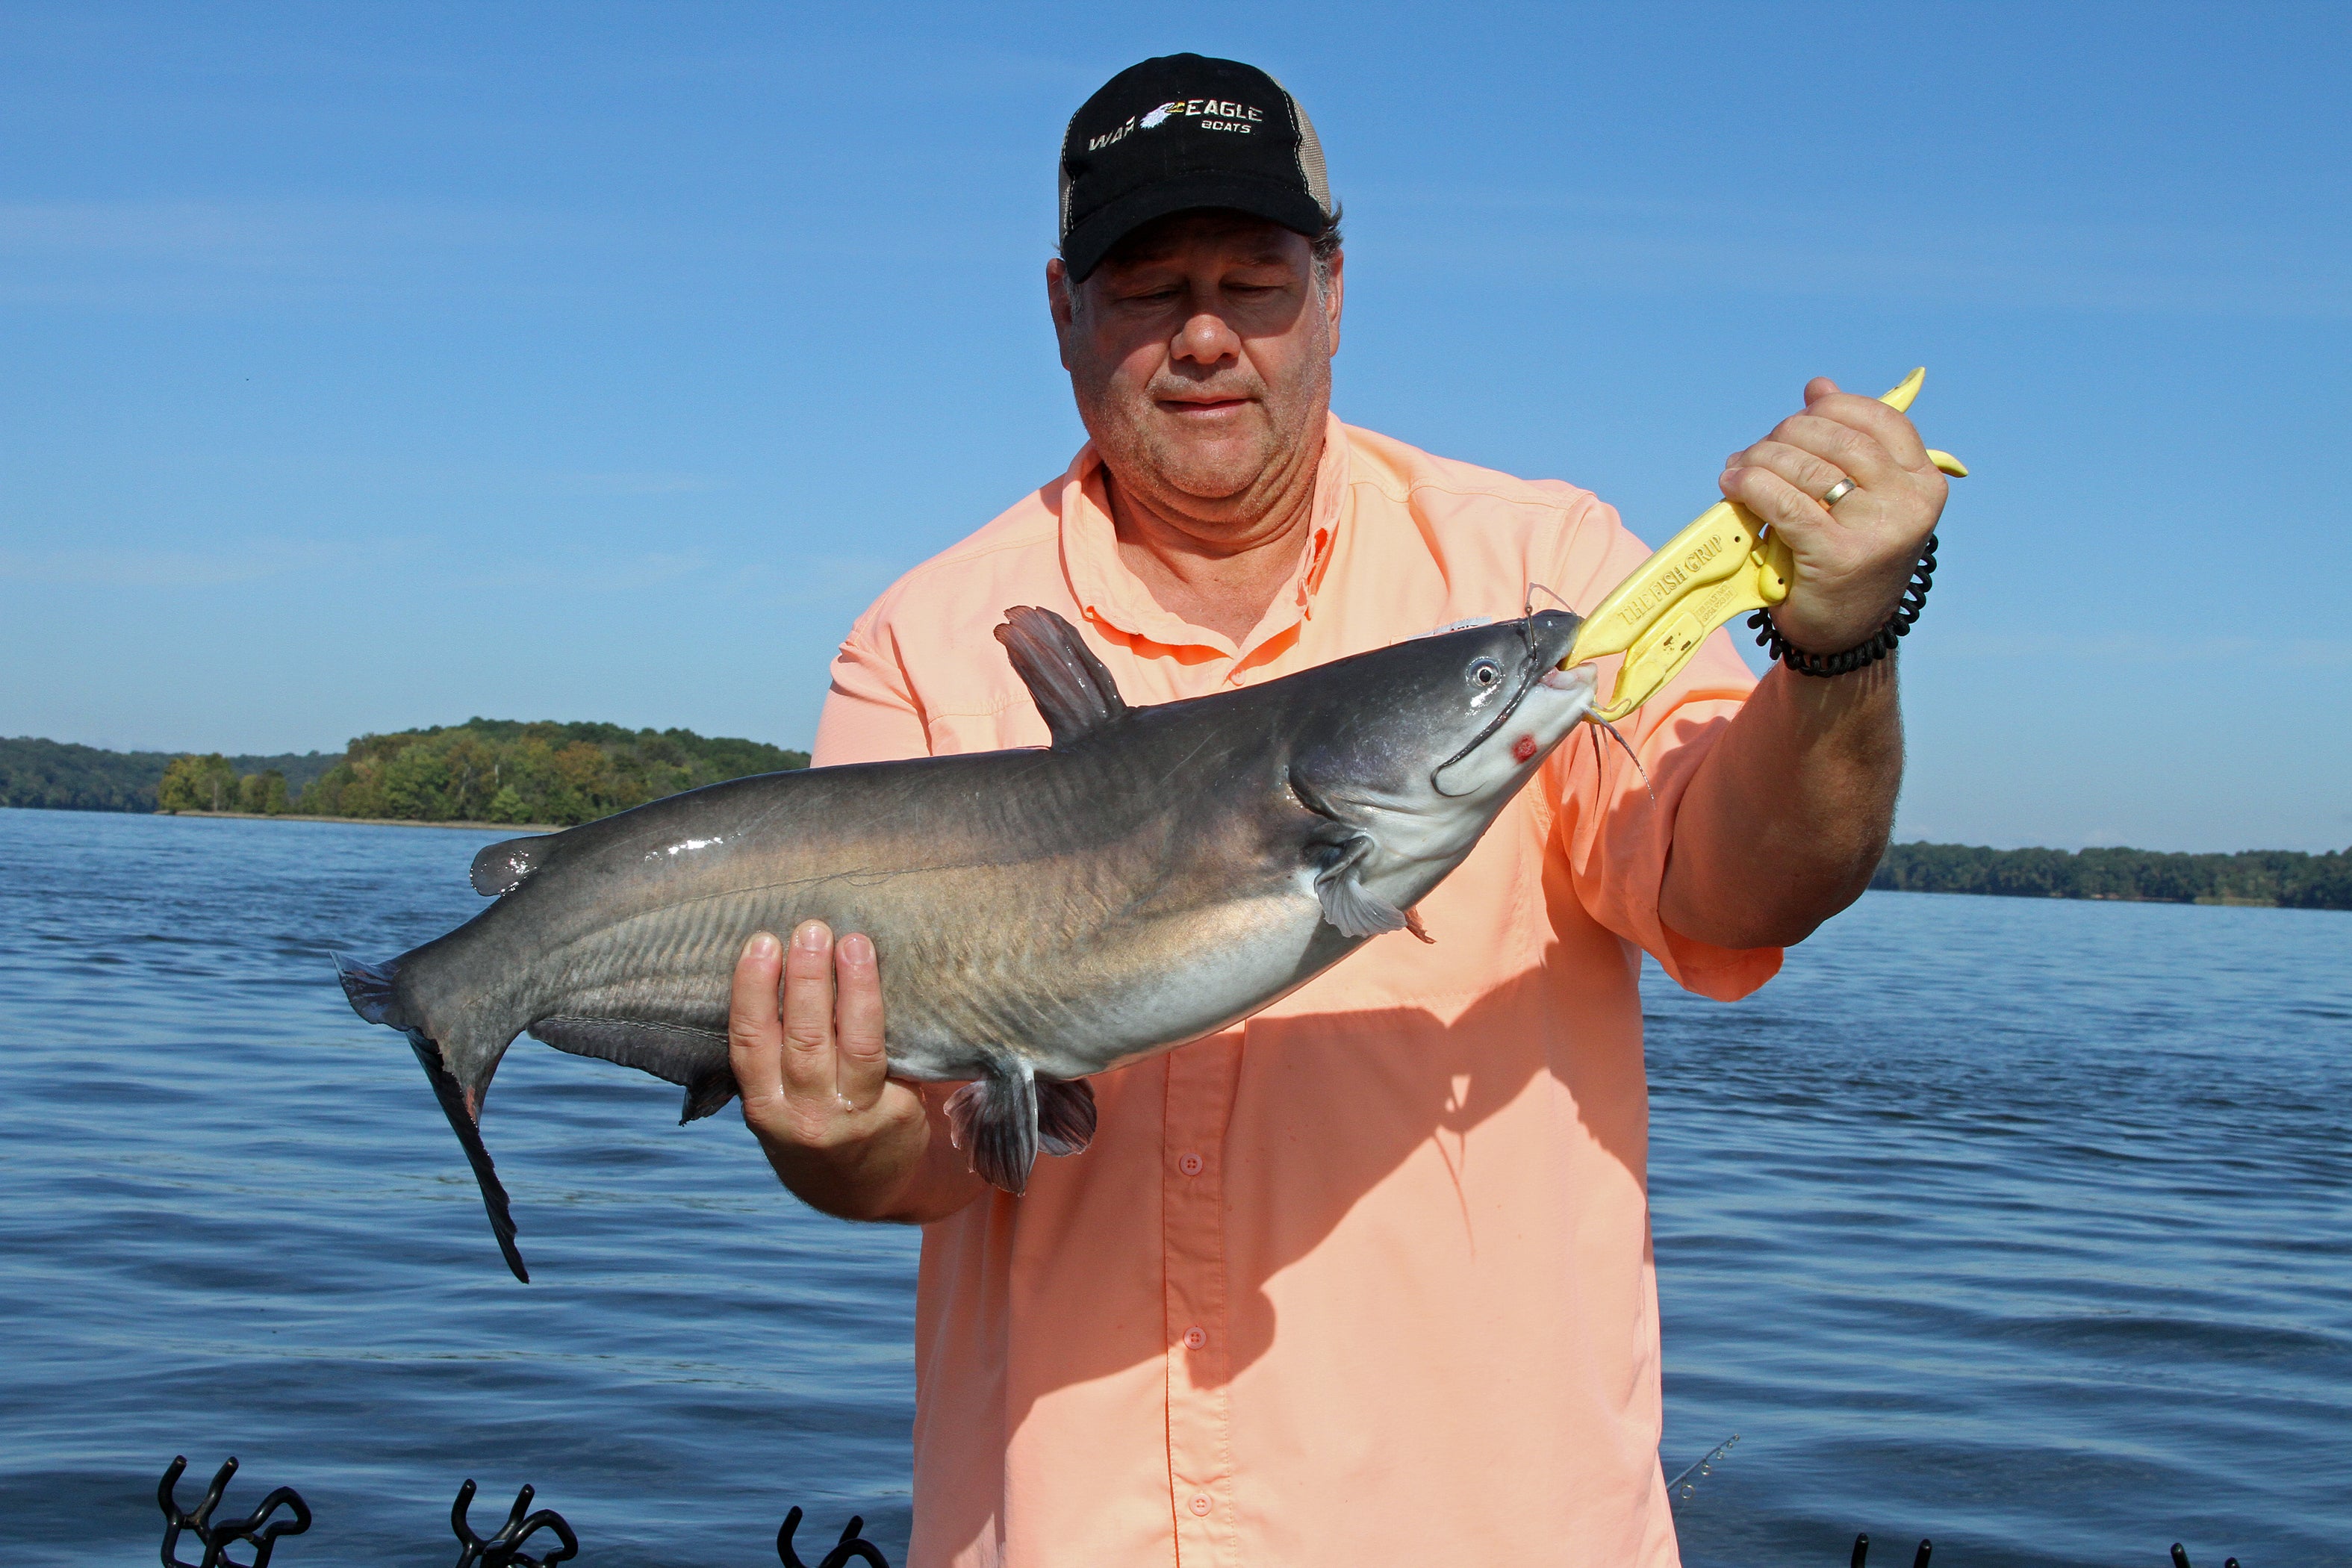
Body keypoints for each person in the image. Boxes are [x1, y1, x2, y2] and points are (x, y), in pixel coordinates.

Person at [724, 54, 1948, 1568]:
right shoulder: (925, 638)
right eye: (1147, 287)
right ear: (1060, 311)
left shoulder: (1538, 582)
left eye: (1256, 281)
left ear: (1338, 290)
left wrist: (1837, 649)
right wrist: (827, 1135)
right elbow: (914, 1154)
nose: (1204, 336)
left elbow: (1736, 885)